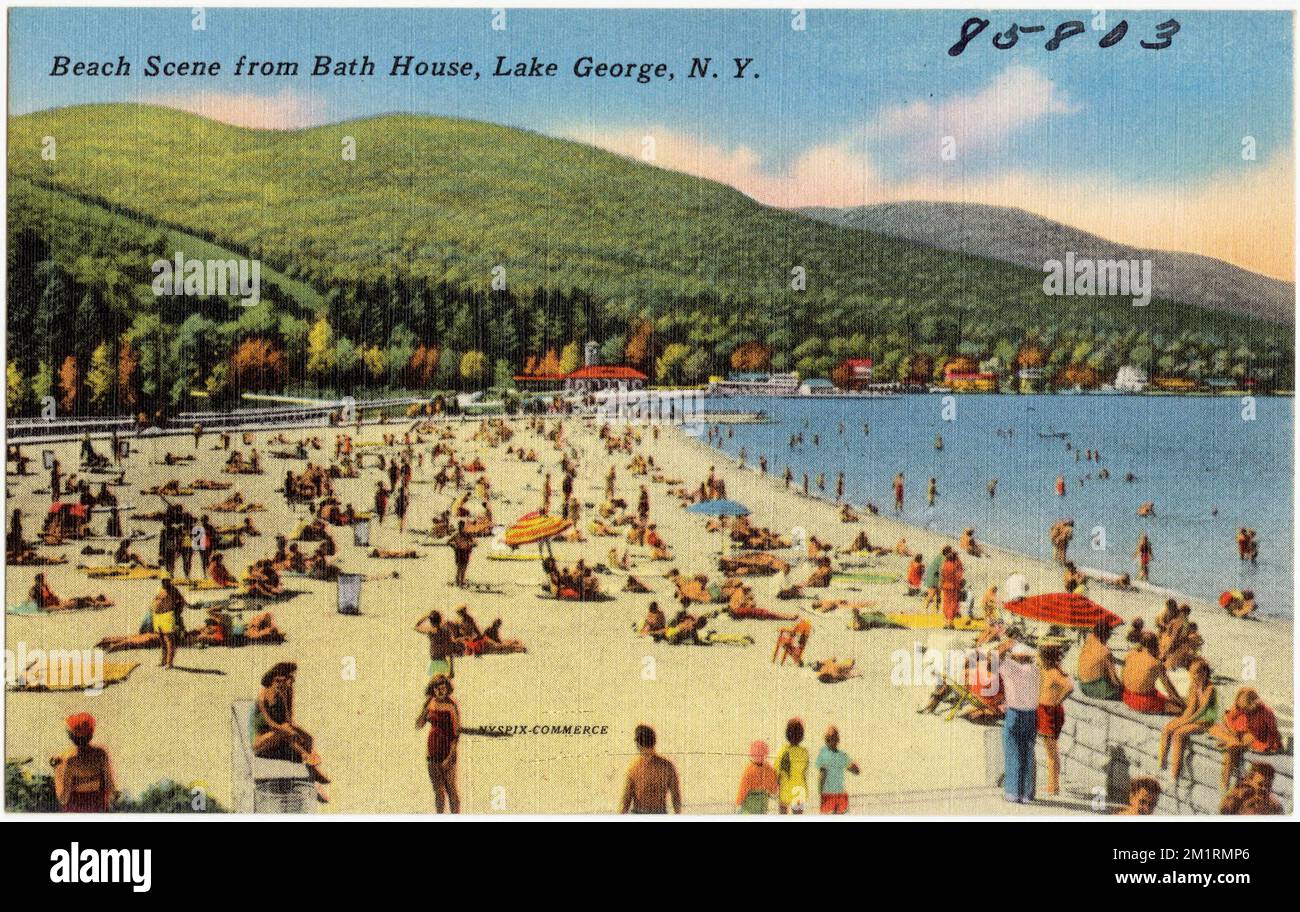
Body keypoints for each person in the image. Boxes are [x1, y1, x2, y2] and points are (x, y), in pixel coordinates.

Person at [253, 662, 330, 802]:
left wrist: (298, 735)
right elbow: (271, 723)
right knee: (286, 733)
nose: (291, 682)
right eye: (288, 679)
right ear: (276, 678)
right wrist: (291, 734)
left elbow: (289, 719)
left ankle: (314, 778)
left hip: (280, 735)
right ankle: (308, 759)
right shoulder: (262, 696)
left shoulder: (286, 691)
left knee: (309, 738)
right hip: (262, 741)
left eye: (291, 679)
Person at [1209, 687, 1284, 790]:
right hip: (1242, 735)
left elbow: (1270, 732)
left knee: (1231, 750)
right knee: (1219, 734)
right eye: (1241, 707)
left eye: (1245, 708)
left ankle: (1225, 786)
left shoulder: (1265, 712)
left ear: (1253, 703)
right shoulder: (1240, 708)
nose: (1243, 710)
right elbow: (1228, 717)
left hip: (1259, 739)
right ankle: (1224, 786)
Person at [1158, 659, 1217, 781]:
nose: (1192, 676)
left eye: (1195, 673)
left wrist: (1186, 721)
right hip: (1194, 717)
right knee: (1167, 728)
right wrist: (1183, 719)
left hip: (1204, 721)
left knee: (1178, 734)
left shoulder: (1210, 689)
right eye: (1191, 673)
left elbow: (1202, 711)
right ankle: (1161, 764)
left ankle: (1174, 775)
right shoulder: (1194, 685)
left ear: (1204, 673)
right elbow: (1191, 707)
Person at [998, 639, 1041, 803]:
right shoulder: (1036, 671)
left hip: (1015, 713)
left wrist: (1006, 644)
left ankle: (1012, 792)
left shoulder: (1011, 668)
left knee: (1013, 752)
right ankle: (1026, 793)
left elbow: (995, 657)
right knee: (1028, 753)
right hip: (1031, 714)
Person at [52, 713, 117, 812]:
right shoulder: (101, 754)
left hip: (76, 809)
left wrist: (57, 769)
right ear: (91, 734)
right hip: (99, 806)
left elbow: (63, 799)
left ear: (71, 737)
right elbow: (111, 787)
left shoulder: (70, 760)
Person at [416, 674, 461, 813]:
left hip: (447, 753)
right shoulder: (431, 703)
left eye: (443, 688)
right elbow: (418, 725)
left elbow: (456, 734)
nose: (440, 691)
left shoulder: (451, 706)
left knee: (451, 789)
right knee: (438, 791)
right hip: (432, 753)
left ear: (447, 689)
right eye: (437, 689)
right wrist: (425, 709)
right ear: (433, 689)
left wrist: (450, 756)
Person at [620, 725, 681, 814]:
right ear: (654, 741)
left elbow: (625, 802)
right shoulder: (667, 766)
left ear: (638, 744)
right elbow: (676, 797)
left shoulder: (634, 768)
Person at [1037, 644, 1073, 795]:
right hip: (1044, 710)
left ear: (1046, 658)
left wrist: (1057, 700)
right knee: (1050, 750)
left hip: (1049, 712)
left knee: (1051, 751)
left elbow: (1069, 687)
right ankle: (1053, 784)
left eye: (1040, 657)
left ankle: (1053, 786)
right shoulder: (1046, 669)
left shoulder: (1053, 672)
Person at [1121, 631, 1184, 715]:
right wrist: (1182, 704)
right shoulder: (1156, 663)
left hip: (1127, 696)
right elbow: (1169, 689)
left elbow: (1123, 675)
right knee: (1178, 709)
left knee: (1161, 696)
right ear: (1155, 646)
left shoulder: (1130, 654)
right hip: (1141, 703)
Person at [814, 726, 858, 814]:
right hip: (839, 795)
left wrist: (820, 791)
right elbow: (856, 771)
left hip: (828, 795)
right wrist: (848, 766)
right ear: (838, 740)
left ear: (826, 740)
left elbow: (822, 774)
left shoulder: (823, 753)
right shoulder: (842, 756)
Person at [1077, 619, 1123, 700]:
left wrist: (1123, 662)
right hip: (1094, 689)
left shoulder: (1090, 639)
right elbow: (1114, 679)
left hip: (1082, 685)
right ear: (1107, 635)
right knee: (1120, 691)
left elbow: (1100, 657)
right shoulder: (1105, 651)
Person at [1219, 762, 1285, 815]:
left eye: (1268, 785)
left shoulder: (1275, 806)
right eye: (1260, 784)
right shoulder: (1236, 797)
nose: (1264, 788)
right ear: (1250, 781)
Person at [775, 718, 809, 815]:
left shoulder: (783, 751)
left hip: (786, 789)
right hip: (800, 789)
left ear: (787, 734)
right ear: (801, 735)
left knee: (783, 813)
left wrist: (775, 786)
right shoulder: (804, 752)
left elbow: (776, 771)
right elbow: (805, 770)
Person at [151, 578, 187, 670]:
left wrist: (177, 612)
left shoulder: (173, 589)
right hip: (157, 616)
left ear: (169, 581)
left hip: (167, 616)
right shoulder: (161, 588)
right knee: (162, 640)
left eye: (166, 581)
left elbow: (182, 601)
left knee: (169, 641)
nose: (163, 582)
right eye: (163, 581)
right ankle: (163, 660)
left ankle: (169, 663)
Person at [736, 740, 778, 814]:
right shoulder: (769, 770)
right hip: (762, 808)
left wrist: (738, 804)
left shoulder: (749, 771)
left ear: (752, 754)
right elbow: (774, 790)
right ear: (766, 753)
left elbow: (742, 791)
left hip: (748, 810)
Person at [416, 610, 456, 679]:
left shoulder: (432, 632)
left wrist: (426, 617)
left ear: (431, 622)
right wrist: (451, 670)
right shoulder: (446, 632)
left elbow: (417, 627)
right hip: (441, 662)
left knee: (435, 687)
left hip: (435, 662)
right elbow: (451, 651)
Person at [447, 520, 476, 588]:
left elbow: (474, 542)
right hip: (461, 551)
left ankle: (459, 581)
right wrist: (454, 546)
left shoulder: (463, 534)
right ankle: (460, 581)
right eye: (460, 526)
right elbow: (448, 542)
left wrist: (470, 545)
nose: (461, 528)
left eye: (461, 526)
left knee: (461, 567)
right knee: (461, 567)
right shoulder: (459, 534)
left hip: (462, 551)